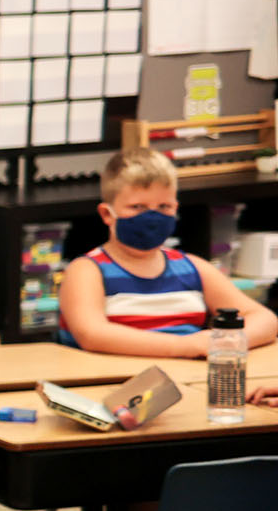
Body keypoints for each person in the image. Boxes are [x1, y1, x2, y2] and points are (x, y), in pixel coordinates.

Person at [58, 148, 276, 356]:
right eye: (138, 207)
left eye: (164, 207)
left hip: (187, 377)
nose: (152, 217)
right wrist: (184, 346)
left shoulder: (192, 268)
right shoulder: (87, 271)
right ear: (107, 214)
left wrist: (223, 342)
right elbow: (92, 334)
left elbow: (264, 319)